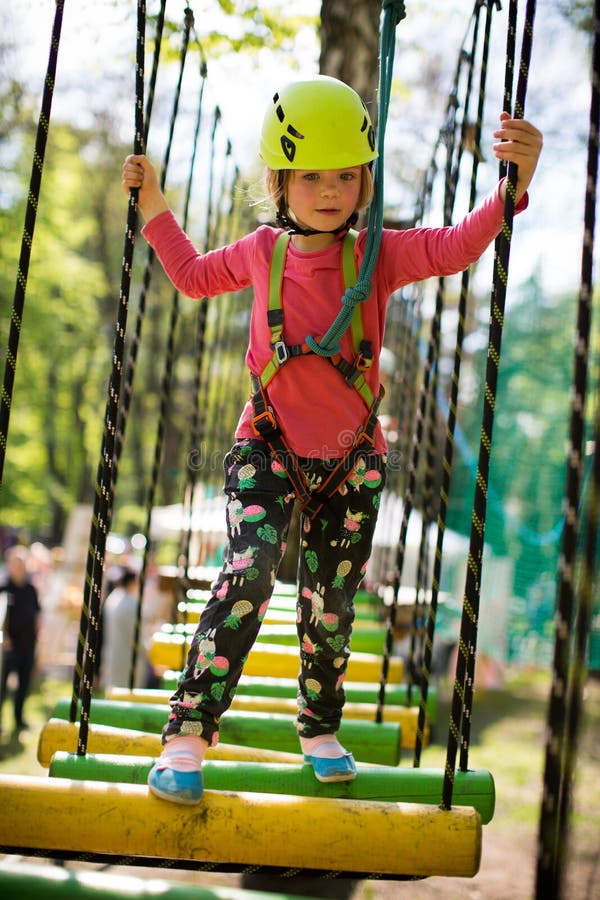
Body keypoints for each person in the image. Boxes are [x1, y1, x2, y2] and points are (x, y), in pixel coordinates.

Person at [121, 75, 543, 805]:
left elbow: (454, 247)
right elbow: (189, 276)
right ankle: (187, 733)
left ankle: (318, 728)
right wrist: (153, 202)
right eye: (311, 175)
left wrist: (512, 185)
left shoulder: (378, 255)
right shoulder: (260, 252)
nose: (329, 190)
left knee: (332, 604)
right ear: (281, 182)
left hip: (351, 462)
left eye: (346, 175)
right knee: (249, 572)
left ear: (365, 181)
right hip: (268, 448)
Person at [0, 545, 41, 733]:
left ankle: (19, 718)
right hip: (8, 646)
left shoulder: (31, 588)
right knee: (2, 686)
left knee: (24, 685)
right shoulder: (3, 587)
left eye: (21, 564)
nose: (18, 568)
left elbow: (37, 614)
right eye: (15, 564)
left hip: (28, 644)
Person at [100, 568, 148, 691]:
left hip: (113, 652)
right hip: (128, 656)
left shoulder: (113, 598)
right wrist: (148, 651)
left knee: (114, 689)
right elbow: (136, 635)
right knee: (127, 692)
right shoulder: (130, 604)